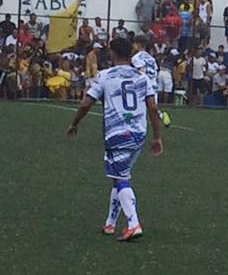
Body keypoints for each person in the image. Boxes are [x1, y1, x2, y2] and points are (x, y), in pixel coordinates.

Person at [66, 37, 165, 242]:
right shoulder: (142, 77)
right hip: (138, 133)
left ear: (112, 53)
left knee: (121, 178)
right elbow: (153, 108)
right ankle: (110, 223)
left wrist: (74, 123)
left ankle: (133, 223)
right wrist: (157, 137)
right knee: (119, 176)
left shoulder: (105, 76)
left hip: (117, 134)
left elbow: (86, 104)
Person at [131, 36, 172, 129]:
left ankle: (134, 129)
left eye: (134, 44)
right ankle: (161, 116)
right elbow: (155, 71)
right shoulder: (151, 58)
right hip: (153, 85)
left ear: (138, 44)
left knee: (138, 108)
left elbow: (142, 71)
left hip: (144, 86)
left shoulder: (136, 58)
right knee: (151, 109)